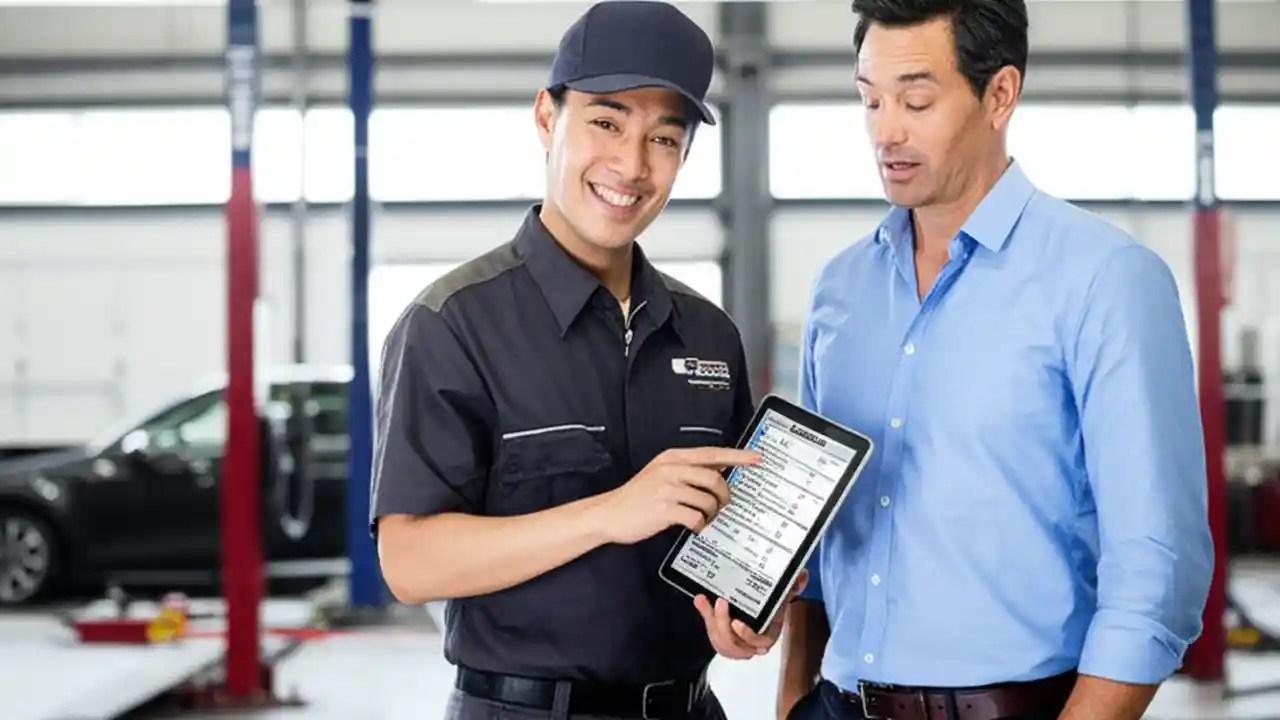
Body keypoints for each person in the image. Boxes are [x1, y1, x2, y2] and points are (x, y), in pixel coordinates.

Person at [777, 1, 1214, 719]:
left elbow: (1157, 573)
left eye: (916, 100)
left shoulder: (1104, 280)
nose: (886, 130)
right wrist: (794, 695)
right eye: (870, 100)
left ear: (1000, 94)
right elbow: (822, 533)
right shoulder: (840, 290)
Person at [369, 3, 804, 719]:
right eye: (607, 123)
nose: (631, 166)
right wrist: (612, 513)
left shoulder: (708, 338)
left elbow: (729, 540)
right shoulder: (453, 325)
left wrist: (749, 609)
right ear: (547, 117)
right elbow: (410, 564)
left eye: (665, 138)